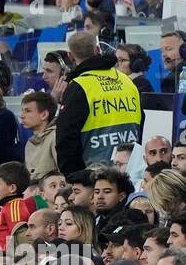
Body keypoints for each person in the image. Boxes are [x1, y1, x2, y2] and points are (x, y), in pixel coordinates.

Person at [54, 31, 142, 174]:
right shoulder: (127, 80)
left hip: (94, 176)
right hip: (130, 169)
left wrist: (74, 176)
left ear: (70, 56)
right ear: (98, 50)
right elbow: (141, 122)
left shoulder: (78, 86)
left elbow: (66, 137)